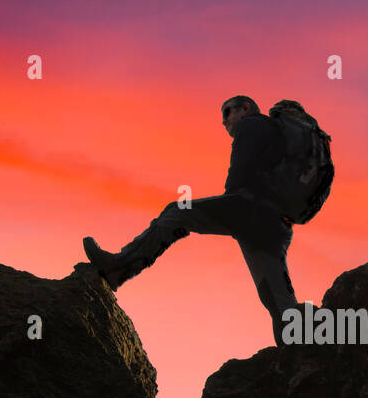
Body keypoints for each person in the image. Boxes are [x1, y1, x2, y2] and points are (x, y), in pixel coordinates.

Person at [83, 95, 301, 347]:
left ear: (246, 107)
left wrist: (231, 198)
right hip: (276, 224)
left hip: (249, 208)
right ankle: (295, 351)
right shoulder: (277, 136)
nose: (224, 121)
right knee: (277, 299)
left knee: (177, 212)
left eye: (228, 112)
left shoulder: (251, 124)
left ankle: (117, 268)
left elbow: (240, 172)